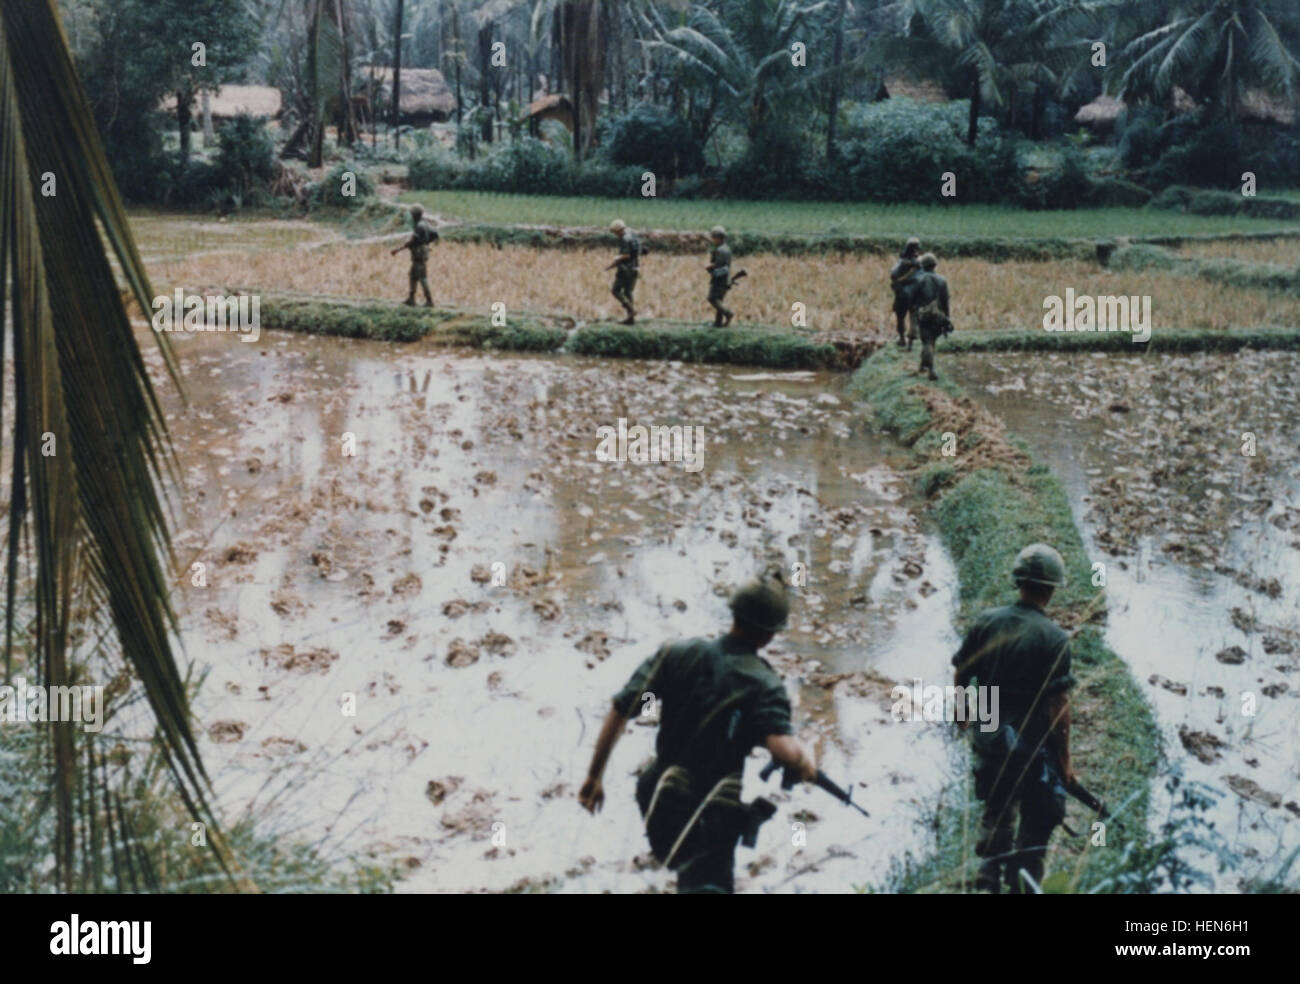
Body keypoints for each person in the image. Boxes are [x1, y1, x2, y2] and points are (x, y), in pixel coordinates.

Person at [578, 568, 817, 894]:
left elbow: (622, 711)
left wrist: (594, 777)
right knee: (706, 884)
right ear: (770, 634)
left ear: (733, 613)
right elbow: (783, 750)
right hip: (710, 811)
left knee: (687, 874)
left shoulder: (675, 655)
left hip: (657, 795)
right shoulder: (763, 683)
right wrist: (805, 761)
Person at [951, 544, 1075, 894]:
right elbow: (1059, 703)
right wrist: (1065, 761)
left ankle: (989, 873)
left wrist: (962, 712)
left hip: (989, 725)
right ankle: (1024, 881)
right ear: (1052, 589)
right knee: (1040, 816)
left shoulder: (988, 621)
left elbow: (962, 670)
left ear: (1018, 581)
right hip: (1032, 739)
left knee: (996, 805)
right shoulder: (1054, 638)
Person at [908, 252, 952, 379]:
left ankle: (931, 370)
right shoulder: (942, 281)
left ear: (923, 265)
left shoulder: (918, 280)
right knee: (931, 341)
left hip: (924, 315)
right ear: (934, 265)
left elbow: (912, 299)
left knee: (927, 341)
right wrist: (947, 318)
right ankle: (922, 365)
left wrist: (913, 313)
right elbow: (946, 301)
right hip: (939, 315)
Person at [390, 203, 439, 306]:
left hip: (419, 253)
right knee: (413, 275)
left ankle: (429, 301)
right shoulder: (425, 223)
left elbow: (411, 241)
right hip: (421, 252)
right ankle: (411, 299)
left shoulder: (419, 226)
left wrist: (397, 250)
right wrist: (426, 243)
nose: (411, 216)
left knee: (422, 277)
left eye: (412, 214)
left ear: (414, 215)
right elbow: (435, 234)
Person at [605, 219, 640, 325]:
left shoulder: (625, 238)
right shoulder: (632, 233)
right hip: (635, 267)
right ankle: (631, 319)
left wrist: (615, 260)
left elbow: (626, 255)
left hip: (626, 269)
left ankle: (631, 310)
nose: (616, 235)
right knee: (628, 292)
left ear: (619, 230)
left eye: (615, 232)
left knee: (615, 290)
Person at [889, 237, 922, 346]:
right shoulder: (919, 263)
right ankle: (912, 339)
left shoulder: (902, 262)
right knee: (914, 315)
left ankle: (902, 338)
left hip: (902, 293)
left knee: (900, 317)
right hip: (915, 293)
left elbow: (893, 274)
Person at [705, 226, 734, 327]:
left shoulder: (720, 250)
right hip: (725, 279)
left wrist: (709, 267)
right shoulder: (726, 249)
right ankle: (718, 322)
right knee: (719, 300)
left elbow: (718, 264)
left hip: (719, 279)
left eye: (713, 237)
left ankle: (728, 313)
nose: (713, 240)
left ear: (718, 238)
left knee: (712, 298)